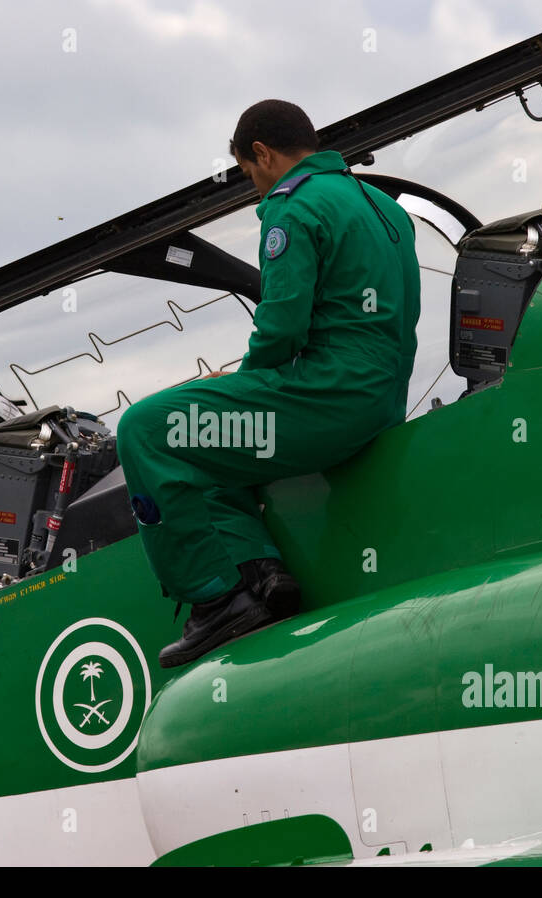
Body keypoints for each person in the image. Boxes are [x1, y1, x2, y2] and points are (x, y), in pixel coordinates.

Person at [117, 99, 420, 668]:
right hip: (381, 400)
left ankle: (216, 597)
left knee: (147, 432)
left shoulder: (294, 207)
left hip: (331, 399)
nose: (253, 187)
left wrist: (244, 387)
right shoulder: (382, 206)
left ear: (261, 153)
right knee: (208, 441)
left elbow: (281, 327)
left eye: (249, 172)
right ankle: (262, 575)